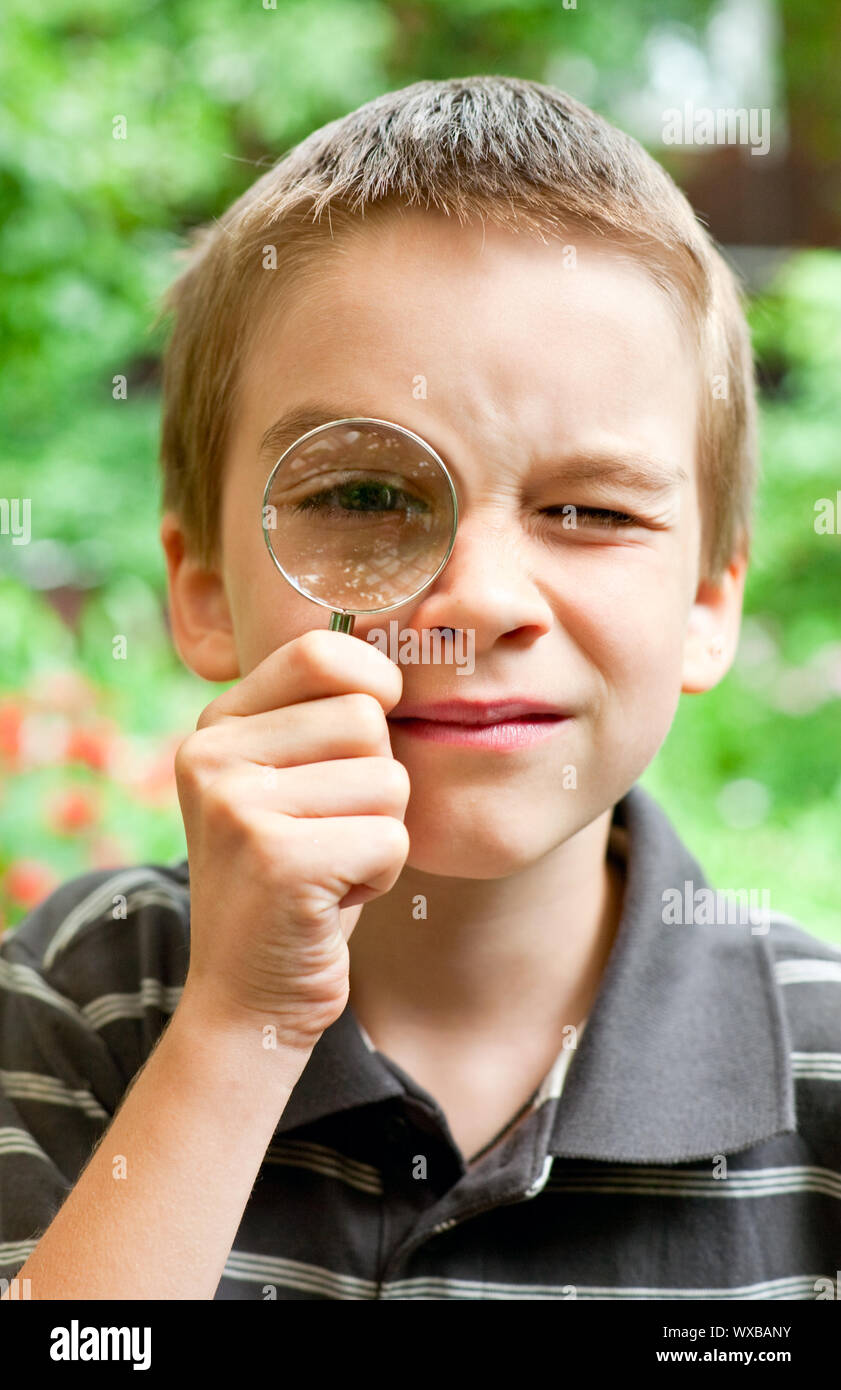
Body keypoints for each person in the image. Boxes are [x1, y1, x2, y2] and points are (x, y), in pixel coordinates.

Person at [2, 75, 839, 1302]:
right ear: (204, 591)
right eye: (364, 498)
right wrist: (239, 1032)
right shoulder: (78, 1001)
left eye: (589, 510)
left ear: (709, 601)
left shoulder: (820, 1073)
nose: (479, 598)